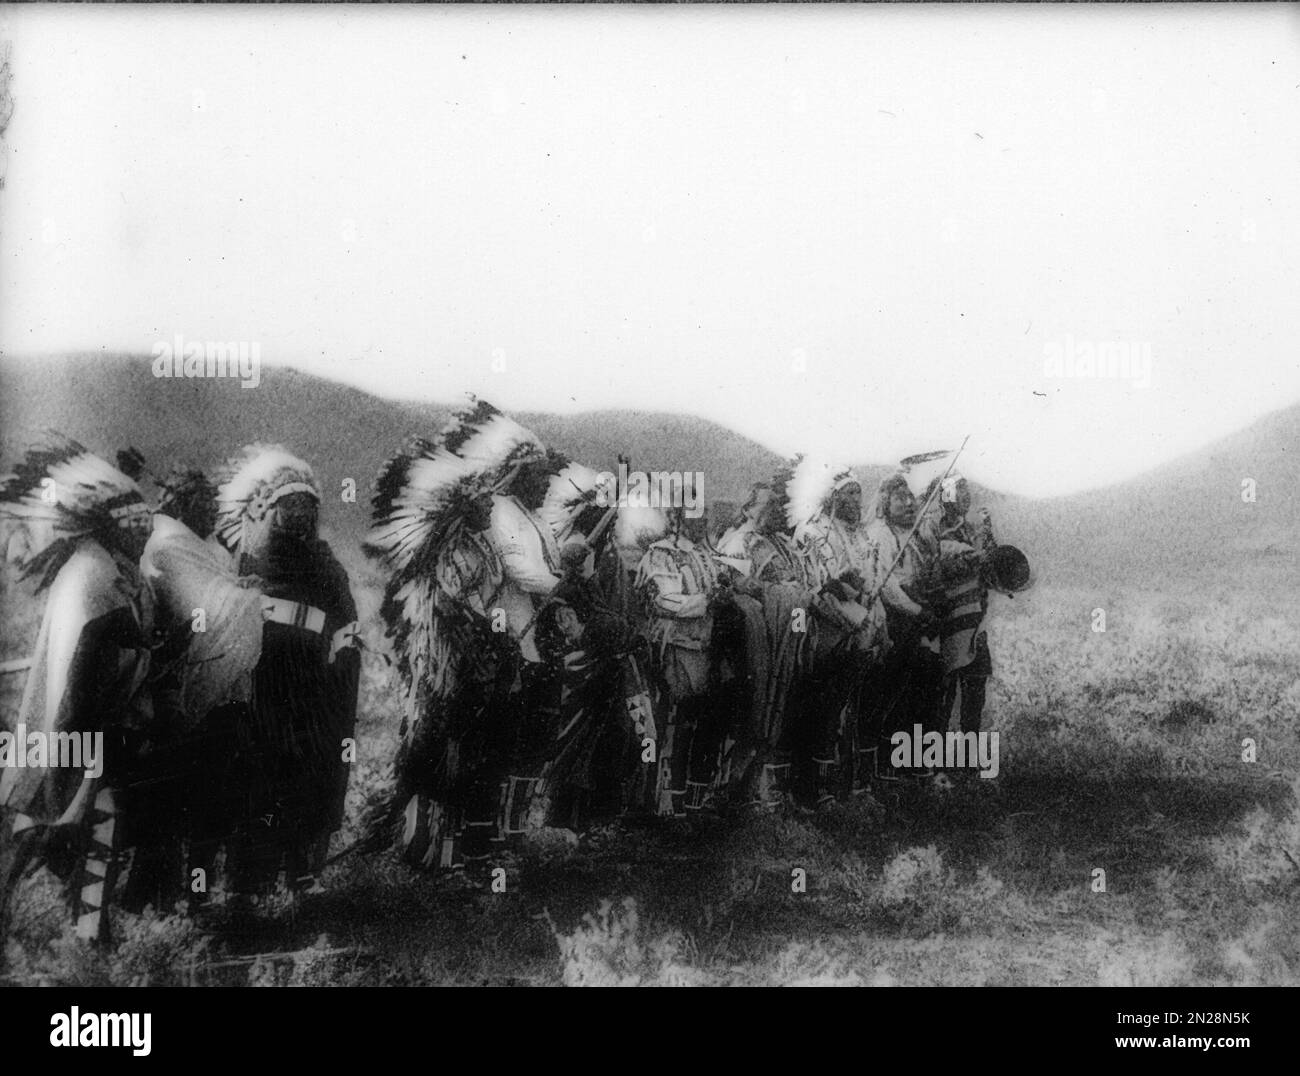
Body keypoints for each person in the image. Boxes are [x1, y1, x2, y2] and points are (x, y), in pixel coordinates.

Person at [0, 436, 155, 945]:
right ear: (115, 525)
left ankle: (72, 922)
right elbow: (91, 669)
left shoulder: (95, 565)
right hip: (81, 731)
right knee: (92, 824)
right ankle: (89, 939)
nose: (145, 532)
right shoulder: (100, 578)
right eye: (137, 524)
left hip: (64, 730)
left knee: (47, 822)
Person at [213, 446, 360, 899]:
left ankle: (301, 874)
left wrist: (339, 669)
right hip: (263, 684)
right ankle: (245, 889)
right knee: (257, 779)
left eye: (307, 506)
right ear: (269, 510)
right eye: (289, 505)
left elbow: (346, 624)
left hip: (312, 687)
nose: (299, 514)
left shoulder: (325, 564)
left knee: (309, 773)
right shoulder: (246, 559)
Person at [790, 461, 885, 806]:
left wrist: (871, 611)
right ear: (832, 496)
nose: (856, 500)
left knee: (851, 710)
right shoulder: (813, 532)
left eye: (860, 493)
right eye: (850, 493)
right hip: (823, 633)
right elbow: (816, 587)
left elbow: (872, 579)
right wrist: (851, 609)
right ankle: (813, 788)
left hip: (859, 631)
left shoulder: (860, 534)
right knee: (823, 710)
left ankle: (848, 787)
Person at [635, 505, 731, 816]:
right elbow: (664, 598)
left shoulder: (708, 552)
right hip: (676, 646)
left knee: (701, 724)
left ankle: (692, 800)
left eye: (704, 515)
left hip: (706, 646)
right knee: (675, 722)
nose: (700, 521)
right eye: (693, 516)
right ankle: (666, 803)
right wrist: (706, 601)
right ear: (676, 518)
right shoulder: (662, 554)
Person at [864, 473, 942, 779]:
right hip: (893, 622)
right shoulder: (879, 534)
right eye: (901, 498)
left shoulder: (914, 536)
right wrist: (918, 610)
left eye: (911, 498)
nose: (909, 503)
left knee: (921, 685)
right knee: (892, 691)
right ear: (885, 502)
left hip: (915, 620)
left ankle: (912, 762)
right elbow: (887, 586)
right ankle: (887, 765)